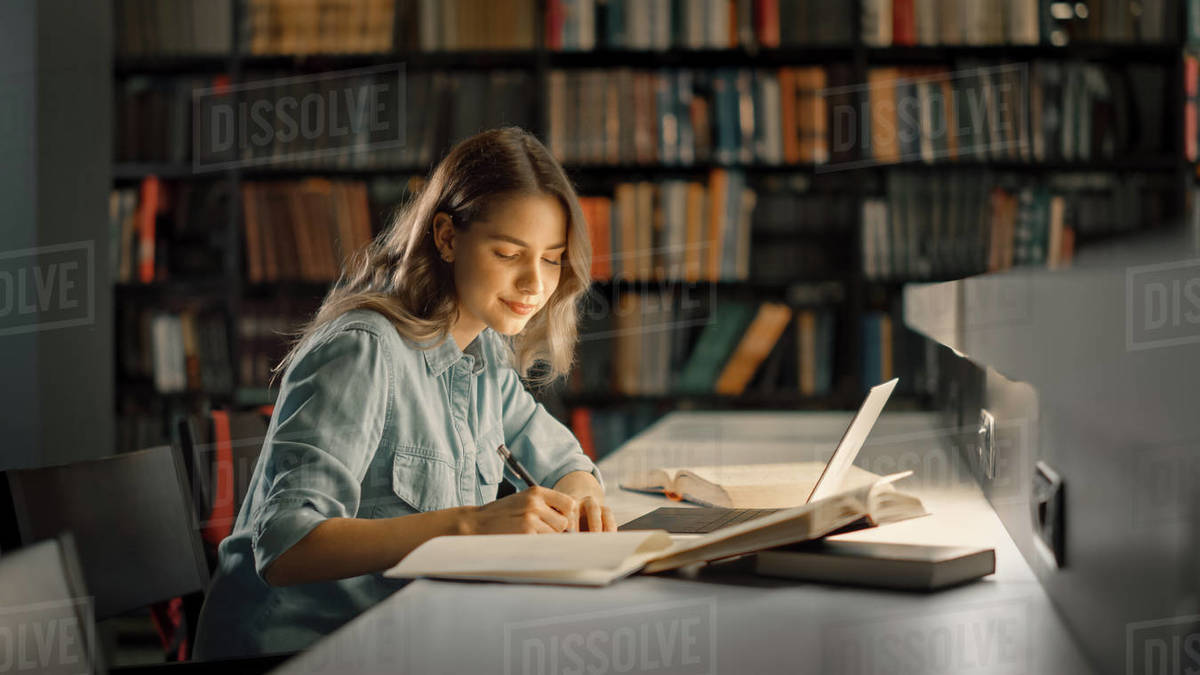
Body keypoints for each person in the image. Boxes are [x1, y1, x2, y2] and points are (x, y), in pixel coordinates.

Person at [193, 127, 614, 660]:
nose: (535, 283)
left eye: (552, 258)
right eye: (509, 253)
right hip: (296, 652)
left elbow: (563, 461)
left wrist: (583, 499)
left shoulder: (482, 355)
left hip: (404, 637)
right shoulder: (361, 352)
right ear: (446, 237)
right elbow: (286, 547)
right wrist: (471, 527)